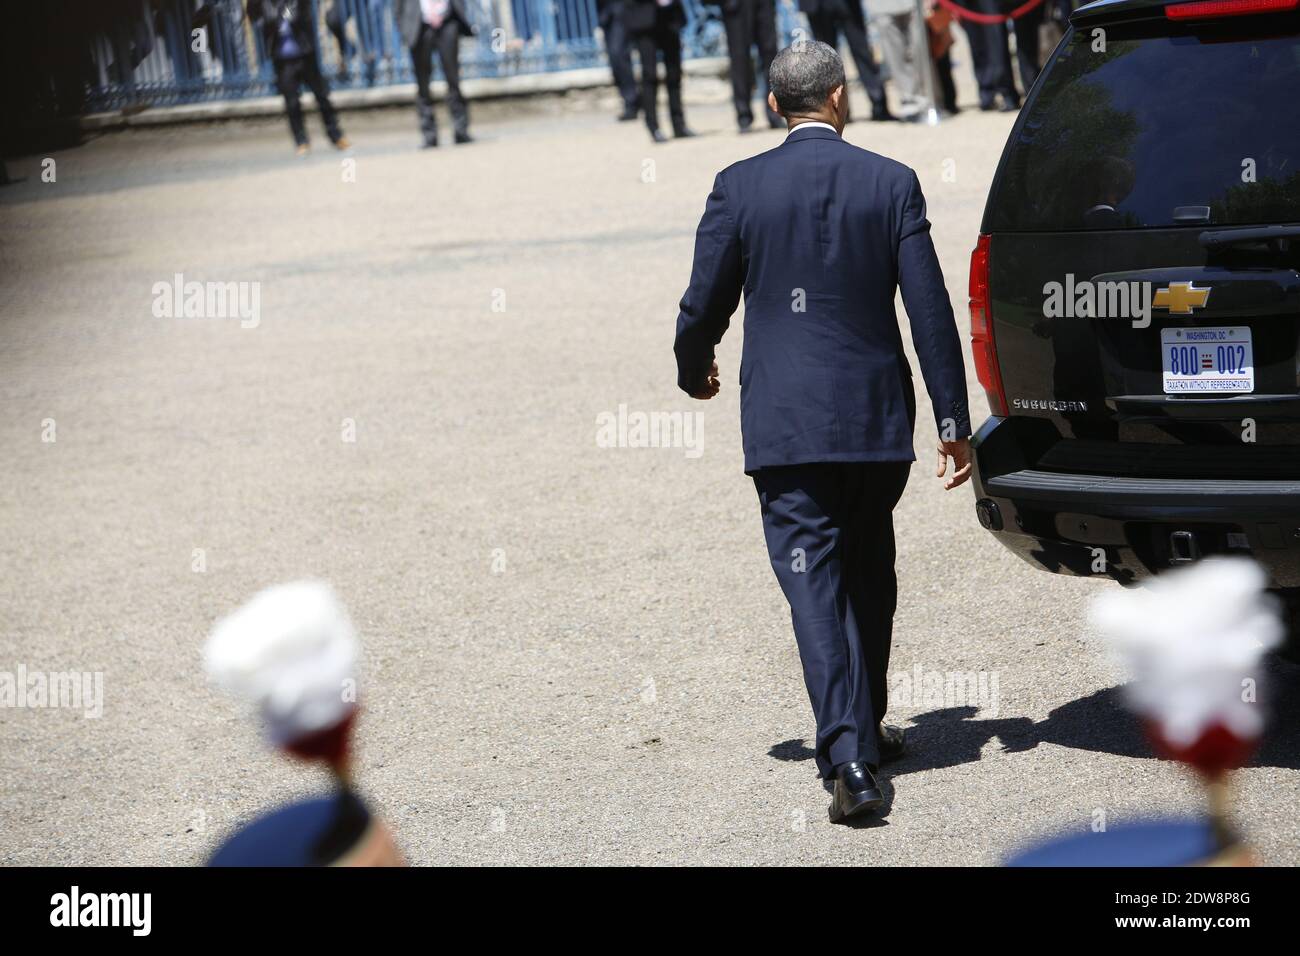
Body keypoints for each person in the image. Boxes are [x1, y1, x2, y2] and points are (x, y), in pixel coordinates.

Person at [672, 41, 971, 823]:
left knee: (814, 583)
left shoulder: (738, 186)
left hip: (786, 422)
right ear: (839, 98)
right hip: (875, 420)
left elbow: (705, 301)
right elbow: (930, 309)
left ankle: (848, 757)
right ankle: (862, 727)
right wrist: (953, 418)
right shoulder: (892, 181)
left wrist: (690, 363)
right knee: (870, 566)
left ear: (776, 106)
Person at [247, 0, 351, 153]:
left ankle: (336, 136)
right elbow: (254, 15)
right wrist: (267, 22)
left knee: (322, 97)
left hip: (305, 52)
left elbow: (293, 15)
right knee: (292, 103)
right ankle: (301, 141)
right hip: (282, 59)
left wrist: (276, 19)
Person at [394, 0, 476, 147]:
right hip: (419, 27)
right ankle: (429, 135)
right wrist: (404, 29)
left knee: (453, 80)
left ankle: (461, 130)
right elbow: (398, 6)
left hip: (447, 23)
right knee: (423, 85)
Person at [798, 0, 894, 121]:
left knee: (862, 51)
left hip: (847, 4)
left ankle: (879, 105)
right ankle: (836, 109)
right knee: (825, 60)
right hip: (818, 4)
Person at [626, 0, 695, 143]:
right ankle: (653, 127)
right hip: (644, 17)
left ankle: (679, 125)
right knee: (650, 75)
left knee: (674, 73)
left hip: (670, 17)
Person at [708, 0, 782, 131]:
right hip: (736, 5)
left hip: (764, 4)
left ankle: (774, 112)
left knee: (770, 54)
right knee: (739, 56)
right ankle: (744, 115)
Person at [597, 0, 642, 121]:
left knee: (619, 55)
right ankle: (630, 99)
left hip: (623, 10)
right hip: (606, 13)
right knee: (614, 60)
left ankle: (632, 101)